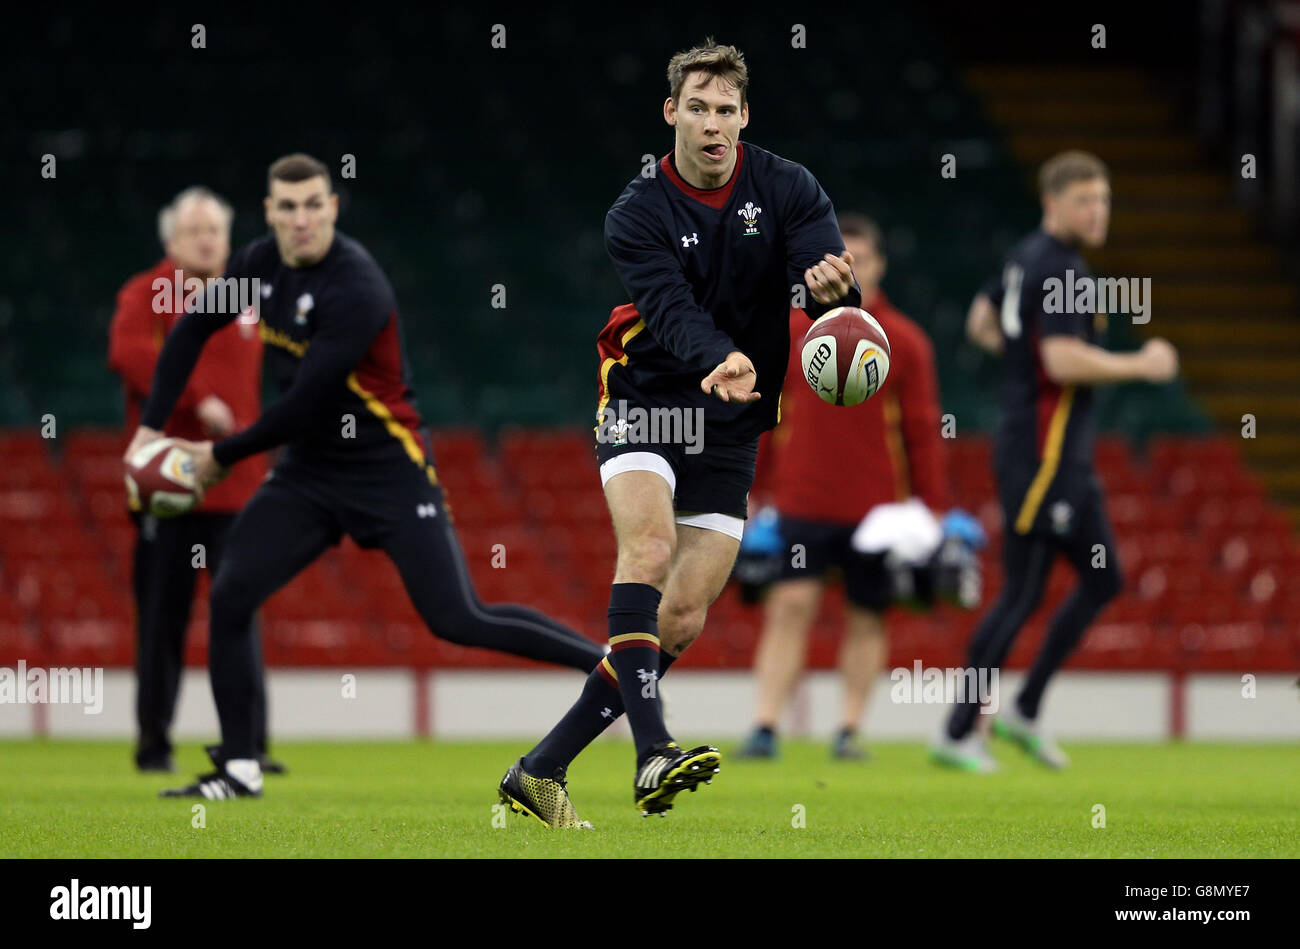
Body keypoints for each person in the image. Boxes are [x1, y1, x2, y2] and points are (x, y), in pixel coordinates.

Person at [125, 153, 605, 800]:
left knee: (456, 616)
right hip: (308, 476)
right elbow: (187, 333)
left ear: (332, 207)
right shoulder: (257, 266)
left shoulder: (356, 284)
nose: (300, 218)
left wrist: (220, 455)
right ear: (268, 213)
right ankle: (239, 767)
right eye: (287, 206)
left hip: (388, 471)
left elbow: (307, 403)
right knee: (233, 593)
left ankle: (607, 666)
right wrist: (152, 429)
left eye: (312, 204)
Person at [497, 38, 861, 827]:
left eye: (726, 109)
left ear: (744, 117)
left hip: (733, 419)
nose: (712, 123)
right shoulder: (635, 212)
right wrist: (720, 355)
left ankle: (541, 768)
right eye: (697, 107)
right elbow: (667, 309)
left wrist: (838, 293)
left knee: (685, 614)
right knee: (651, 553)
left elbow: (815, 277)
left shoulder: (789, 186)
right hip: (646, 396)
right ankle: (654, 749)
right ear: (671, 113)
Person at [933, 151, 1179, 772]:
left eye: (1103, 200)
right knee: (1021, 591)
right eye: (1084, 200)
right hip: (1042, 454)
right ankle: (958, 731)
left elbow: (981, 320)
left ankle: (1025, 710)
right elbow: (1063, 361)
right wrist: (1141, 366)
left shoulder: (1029, 256)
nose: (1098, 211)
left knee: (1103, 578)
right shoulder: (1061, 267)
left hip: (1057, 453)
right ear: (1053, 203)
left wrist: (1018, 360)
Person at [736, 213, 948, 761]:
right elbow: (761, 413)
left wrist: (931, 509)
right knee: (789, 606)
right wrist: (752, 492)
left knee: (867, 615)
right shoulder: (789, 328)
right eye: (841, 260)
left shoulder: (906, 341)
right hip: (802, 498)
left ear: (880, 266)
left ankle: (848, 731)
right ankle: (765, 727)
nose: (853, 271)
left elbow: (924, 431)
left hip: (878, 509)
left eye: (863, 260)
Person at [109, 186, 280, 775]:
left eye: (216, 230)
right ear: (171, 241)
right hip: (170, 488)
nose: (207, 240)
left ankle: (250, 747)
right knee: (162, 620)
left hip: (239, 487)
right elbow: (128, 354)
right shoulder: (147, 293)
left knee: (240, 616)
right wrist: (197, 398)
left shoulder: (246, 297)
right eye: (195, 231)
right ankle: (153, 744)